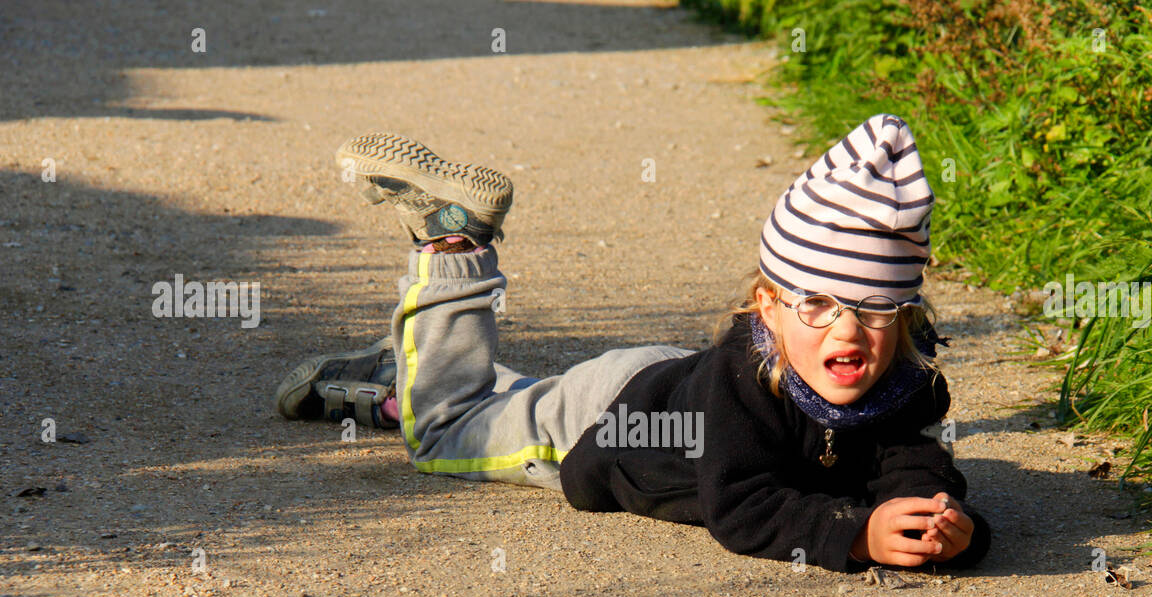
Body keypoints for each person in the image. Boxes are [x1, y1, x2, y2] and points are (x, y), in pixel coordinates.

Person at [275, 117, 991, 572]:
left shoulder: (900, 384)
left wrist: (939, 522)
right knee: (444, 433)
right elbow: (741, 507)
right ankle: (451, 241)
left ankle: (404, 365)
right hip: (605, 426)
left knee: (513, 403)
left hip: (661, 382)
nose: (847, 330)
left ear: (905, 319)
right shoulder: (744, 387)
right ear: (766, 307)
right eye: (818, 304)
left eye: (875, 311)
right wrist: (856, 533)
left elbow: (915, 464)